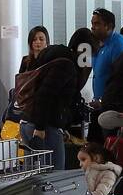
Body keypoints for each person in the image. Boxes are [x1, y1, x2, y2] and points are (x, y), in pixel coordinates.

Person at [17, 39, 79, 170]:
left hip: (28, 122)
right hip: (44, 127)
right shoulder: (64, 65)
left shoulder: (46, 64)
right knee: (55, 176)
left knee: (31, 175)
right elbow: (45, 95)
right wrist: (40, 128)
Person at [87, 8, 123, 141]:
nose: (92, 27)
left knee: (108, 148)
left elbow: (121, 80)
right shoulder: (100, 44)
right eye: (92, 23)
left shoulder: (119, 45)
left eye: (97, 24)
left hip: (112, 107)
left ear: (109, 26)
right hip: (100, 106)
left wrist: (103, 101)